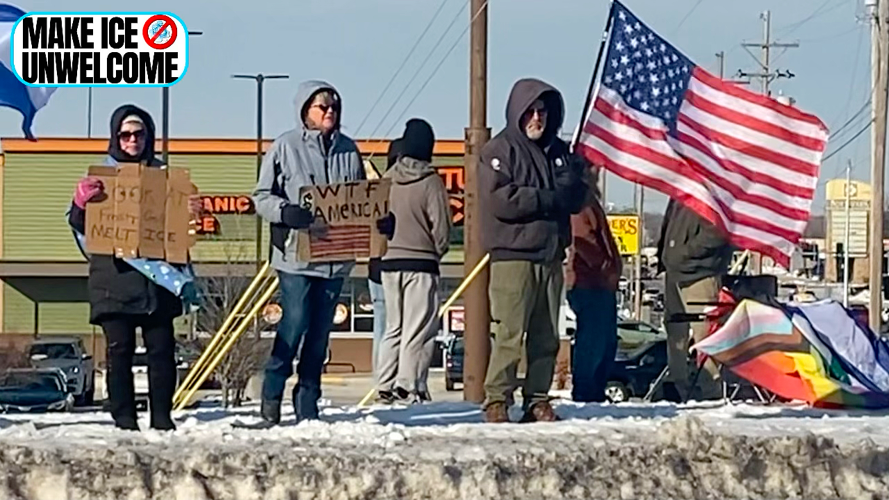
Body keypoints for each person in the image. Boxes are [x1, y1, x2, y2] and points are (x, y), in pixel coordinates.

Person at [252, 80, 394, 426]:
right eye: (322, 106)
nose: (329, 112)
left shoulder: (349, 149)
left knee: (319, 334)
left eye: (334, 106)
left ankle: (308, 402)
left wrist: (381, 221)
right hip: (296, 257)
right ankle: (272, 393)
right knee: (295, 321)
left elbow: (362, 199)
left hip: (336, 259)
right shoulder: (284, 147)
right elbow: (260, 197)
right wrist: (286, 212)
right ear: (306, 112)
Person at [66, 104, 203, 431]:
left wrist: (192, 209)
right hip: (115, 280)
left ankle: (161, 418)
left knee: (161, 350)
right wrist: (80, 205)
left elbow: (185, 230)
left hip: (158, 282)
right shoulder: (98, 178)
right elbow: (81, 230)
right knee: (120, 351)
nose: (132, 140)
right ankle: (124, 419)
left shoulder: (167, 178)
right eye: (125, 134)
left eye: (139, 134)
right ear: (115, 137)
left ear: (149, 136)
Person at [478, 78, 586, 423]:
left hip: (550, 253)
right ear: (518, 113)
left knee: (545, 335)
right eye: (531, 111)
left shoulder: (559, 152)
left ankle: (537, 397)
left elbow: (575, 201)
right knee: (509, 331)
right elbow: (501, 200)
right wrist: (546, 197)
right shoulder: (499, 151)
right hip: (513, 255)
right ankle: (497, 398)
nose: (537, 118)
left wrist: (576, 182)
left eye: (543, 111)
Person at [375, 119, 450, 404]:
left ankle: (383, 384)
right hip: (422, 263)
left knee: (393, 326)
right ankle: (408, 386)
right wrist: (436, 251)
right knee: (417, 328)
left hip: (390, 261)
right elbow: (441, 228)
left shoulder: (387, 180)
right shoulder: (431, 182)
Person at [655, 198, 733, 402]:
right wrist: (669, 257)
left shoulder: (710, 192)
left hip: (700, 273)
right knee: (675, 331)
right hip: (675, 272)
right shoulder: (679, 193)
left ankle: (711, 392)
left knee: (706, 333)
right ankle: (679, 388)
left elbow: (718, 231)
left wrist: (684, 254)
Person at [564, 166, 622, 403]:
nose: (598, 170)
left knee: (605, 340)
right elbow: (583, 243)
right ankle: (586, 391)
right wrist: (604, 267)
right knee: (593, 340)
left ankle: (594, 389)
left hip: (600, 283)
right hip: (590, 283)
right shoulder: (579, 203)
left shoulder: (589, 202)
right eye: (592, 167)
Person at [368, 139, 404, 375]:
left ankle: (380, 376)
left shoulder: (375, 190)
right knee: (397, 324)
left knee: (382, 324)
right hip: (396, 262)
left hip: (376, 264)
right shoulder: (401, 188)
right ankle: (393, 377)